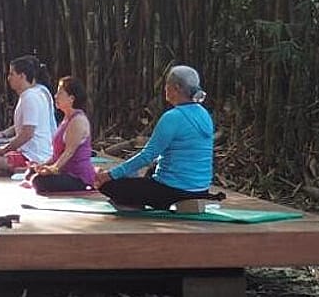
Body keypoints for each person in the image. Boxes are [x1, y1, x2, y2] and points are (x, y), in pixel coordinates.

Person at [94, 65, 217, 210]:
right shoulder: (204, 115)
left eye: (167, 85)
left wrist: (111, 175)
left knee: (106, 185)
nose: (165, 88)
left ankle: (139, 202)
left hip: (173, 191)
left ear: (176, 88)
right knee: (149, 171)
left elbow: (147, 155)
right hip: (201, 189)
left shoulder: (173, 117)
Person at [0, 55, 56, 175]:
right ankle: (11, 171)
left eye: (11, 74)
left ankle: (25, 169)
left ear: (22, 76)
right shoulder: (35, 94)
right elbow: (26, 124)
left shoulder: (30, 97)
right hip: (30, 152)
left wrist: (4, 150)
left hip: (33, 155)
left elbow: (27, 133)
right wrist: (3, 135)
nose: (8, 78)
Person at [29, 76, 95, 193]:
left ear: (71, 98)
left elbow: (69, 152)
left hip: (78, 177)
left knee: (38, 181)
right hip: (63, 172)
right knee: (31, 173)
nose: (56, 96)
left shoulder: (78, 121)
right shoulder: (66, 119)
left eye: (60, 93)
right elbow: (56, 155)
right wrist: (42, 165)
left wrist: (53, 169)